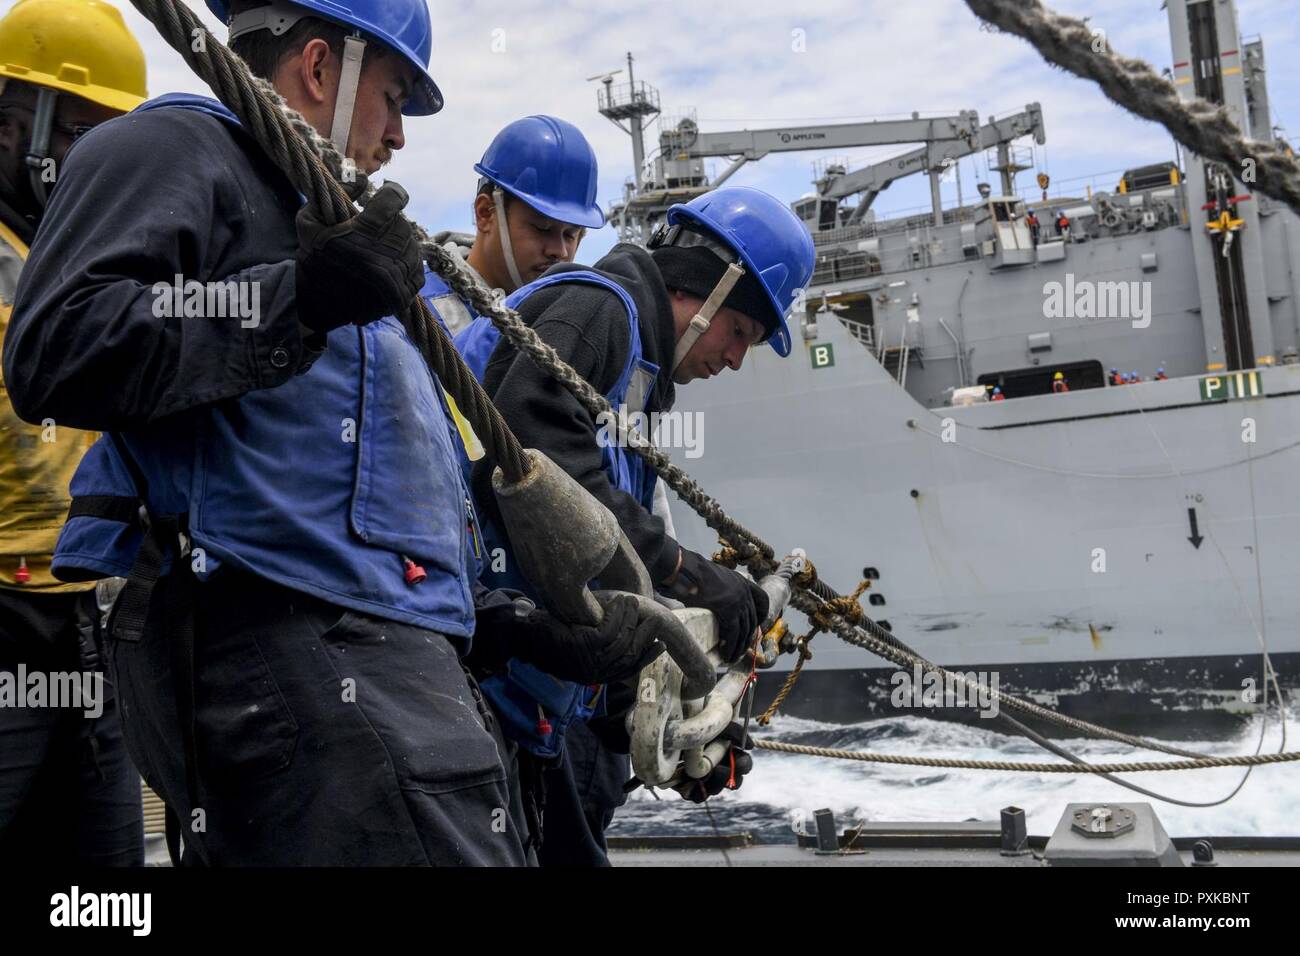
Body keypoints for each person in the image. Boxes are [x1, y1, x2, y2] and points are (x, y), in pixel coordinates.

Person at [3, 0, 659, 866]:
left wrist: (508, 623)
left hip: (383, 676)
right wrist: (296, 301)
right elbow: (57, 351)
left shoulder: (344, 238)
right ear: (321, 68)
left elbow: (367, 503)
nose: (396, 137)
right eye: (392, 99)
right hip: (298, 660)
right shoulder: (178, 148)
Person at [456, 185, 814, 865]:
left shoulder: (634, 377)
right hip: (487, 675)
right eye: (740, 331)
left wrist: (675, 716)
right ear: (709, 291)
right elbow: (537, 458)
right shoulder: (600, 311)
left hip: (534, 688)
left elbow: (598, 559)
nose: (736, 358)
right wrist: (692, 573)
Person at [0, 0, 146, 867]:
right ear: (19, 122)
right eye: (87, 138)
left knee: (102, 890)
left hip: (92, 622)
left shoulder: (95, 256)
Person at [422, 115, 601, 336]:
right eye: (543, 229)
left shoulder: (567, 319)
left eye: (571, 235)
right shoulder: (415, 309)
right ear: (485, 213)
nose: (560, 251)